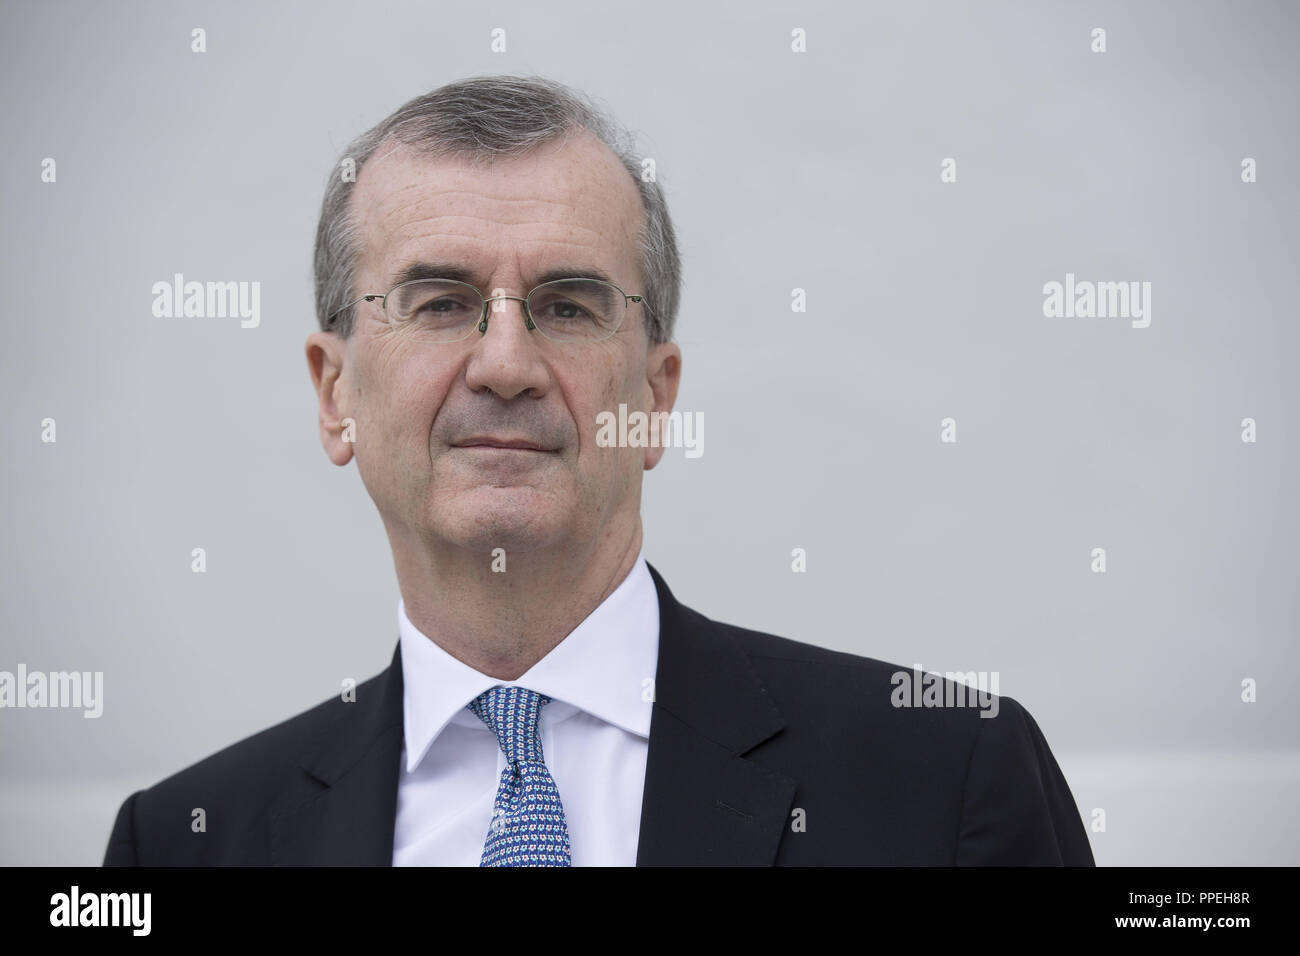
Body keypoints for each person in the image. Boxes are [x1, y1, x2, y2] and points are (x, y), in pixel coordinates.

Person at [103, 75, 1094, 867]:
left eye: (569, 305)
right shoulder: (186, 841)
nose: (504, 364)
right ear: (335, 395)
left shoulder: (947, 779)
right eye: (440, 301)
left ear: (656, 396)